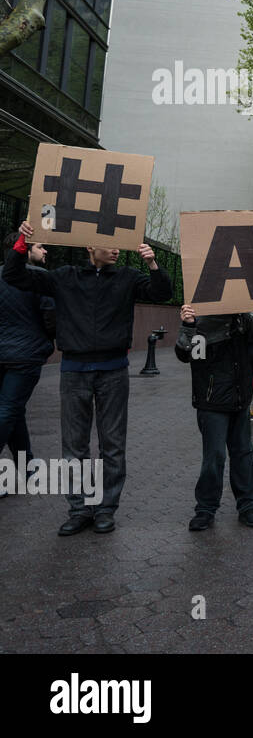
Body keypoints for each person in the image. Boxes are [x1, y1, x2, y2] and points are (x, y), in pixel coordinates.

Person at [3, 221, 173, 535]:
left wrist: (152, 263)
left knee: (112, 445)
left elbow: (163, 292)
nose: (114, 249)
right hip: (74, 373)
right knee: (74, 447)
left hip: (113, 372)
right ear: (88, 247)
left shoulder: (127, 277)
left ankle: (106, 510)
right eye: (107, 244)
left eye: (117, 245)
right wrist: (22, 245)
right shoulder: (65, 277)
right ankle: (79, 510)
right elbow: (13, 275)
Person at [176, 300, 253, 530]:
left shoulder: (242, 317)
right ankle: (205, 509)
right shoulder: (202, 321)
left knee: (243, 453)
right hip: (212, 401)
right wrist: (189, 326)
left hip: (239, 399)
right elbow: (186, 355)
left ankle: (248, 506)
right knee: (214, 457)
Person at [0, 232, 55, 493]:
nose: (45, 252)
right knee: (8, 410)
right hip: (25, 356)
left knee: (14, 410)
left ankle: (27, 467)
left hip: (6, 354)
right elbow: (51, 319)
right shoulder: (38, 279)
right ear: (23, 250)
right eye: (41, 247)